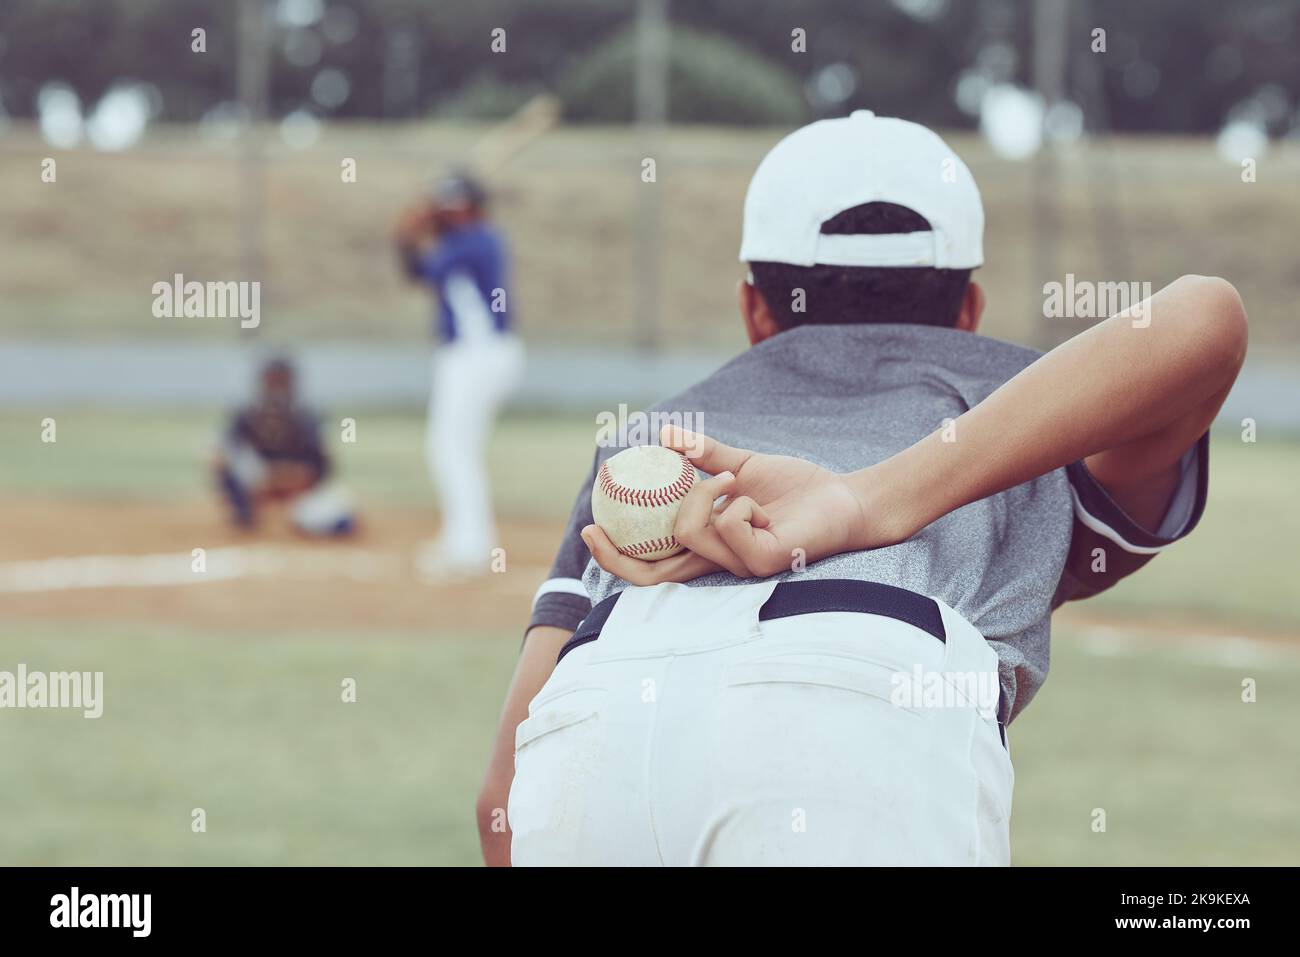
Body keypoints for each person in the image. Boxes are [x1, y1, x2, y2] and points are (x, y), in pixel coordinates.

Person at [479, 111, 1247, 866]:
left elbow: (501, 806)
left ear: (753, 310)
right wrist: (870, 503)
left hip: (598, 714)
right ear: (970, 309)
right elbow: (1208, 317)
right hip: (867, 701)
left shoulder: (654, 439)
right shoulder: (1028, 417)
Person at [395, 173, 525, 579]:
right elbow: (416, 272)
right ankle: (465, 539)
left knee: (450, 448)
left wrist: (415, 230)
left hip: (476, 355)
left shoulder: (476, 240)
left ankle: (470, 546)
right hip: (476, 354)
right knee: (456, 448)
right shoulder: (465, 239)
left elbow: (428, 267)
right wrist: (406, 240)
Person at [214, 356, 355, 537]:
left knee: (333, 521)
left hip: (301, 488)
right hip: (262, 480)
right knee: (223, 456)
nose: (276, 389)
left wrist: (291, 476)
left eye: (281, 381)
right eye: (272, 381)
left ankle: (302, 515)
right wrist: (262, 480)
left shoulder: (307, 416)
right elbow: (220, 453)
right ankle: (245, 514)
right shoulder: (246, 414)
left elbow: (324, 465)